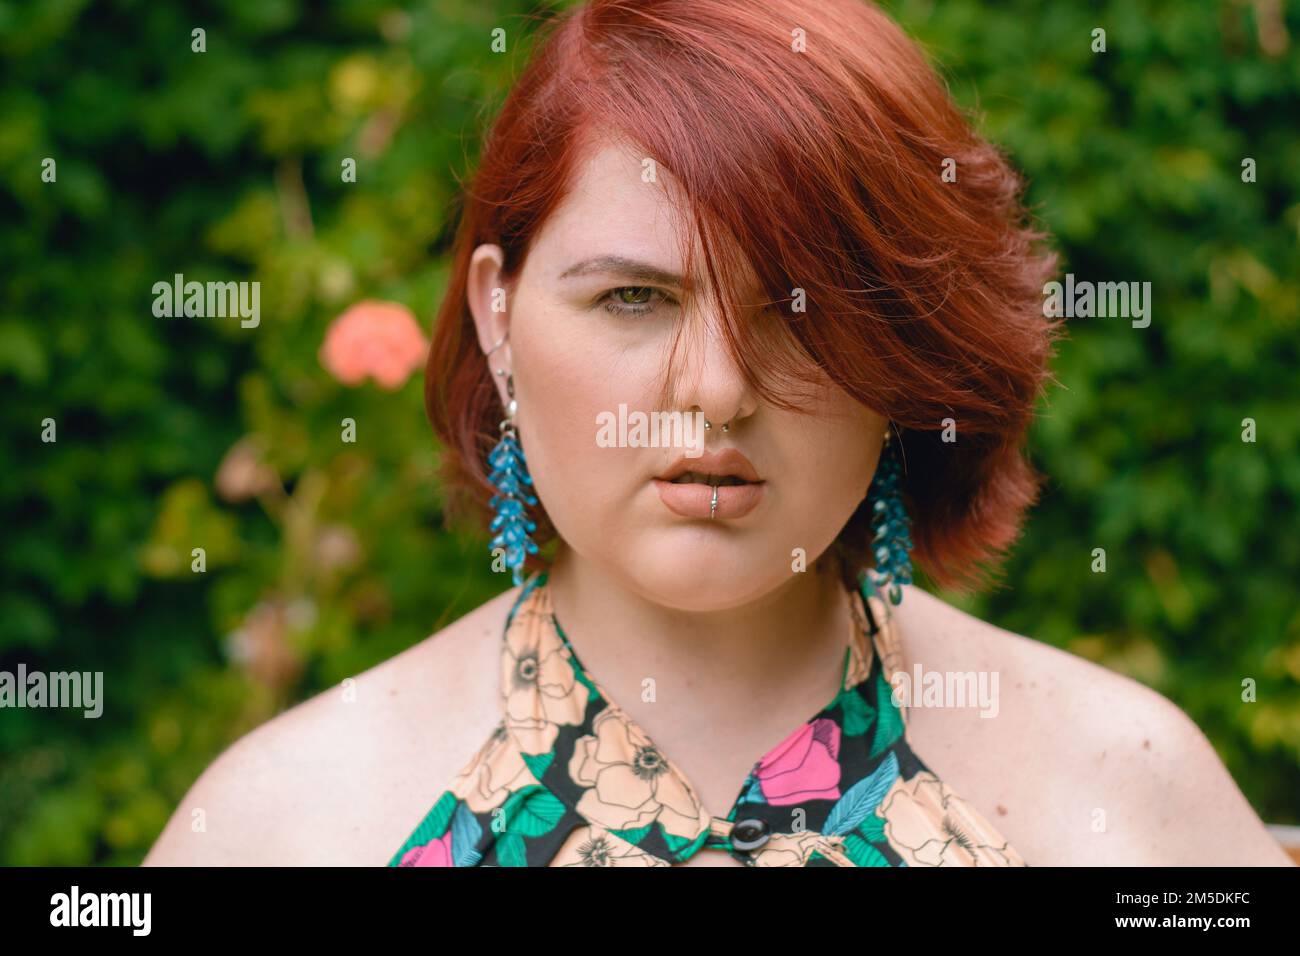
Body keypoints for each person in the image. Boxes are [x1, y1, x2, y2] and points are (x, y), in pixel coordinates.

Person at [145, 0, 1293, 867]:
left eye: (801, 312)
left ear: (906, 349)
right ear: (497, 313)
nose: (712, 390)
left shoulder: (1120, 797)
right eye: (633, 299)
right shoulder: (282, 824)